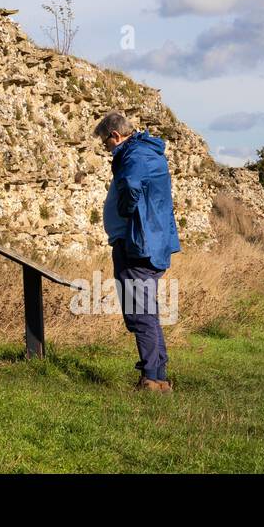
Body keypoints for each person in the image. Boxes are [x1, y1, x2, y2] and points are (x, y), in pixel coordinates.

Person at [94, 111, 180, 393]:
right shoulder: (144, 152)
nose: (107, 149)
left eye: (106, 143)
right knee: (145, 311)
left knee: (139, 311)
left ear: (115, 136)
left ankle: (153, 379)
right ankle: (157, 375)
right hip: (146, 242)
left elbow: (130, 186)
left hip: (137, 245)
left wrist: (124, 211)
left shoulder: (133, 155)